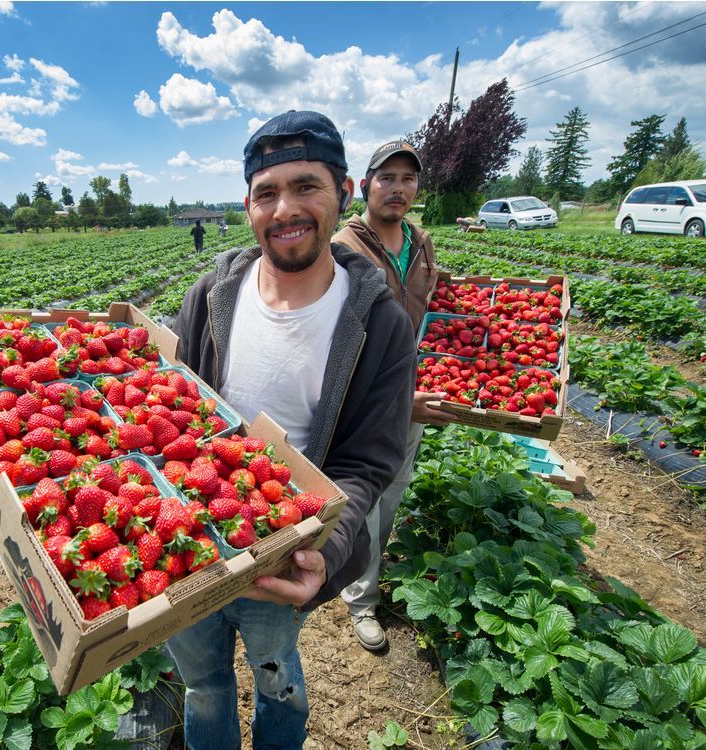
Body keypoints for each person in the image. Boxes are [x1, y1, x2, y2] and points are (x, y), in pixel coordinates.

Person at [169, 111, 416, 750]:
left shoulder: (380, 325)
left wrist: (327, 555)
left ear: (343, 192)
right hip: (186, 538)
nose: (286, 209)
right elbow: (170, 407)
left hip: (281, 546)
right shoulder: (211, 295)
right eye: (266, 192)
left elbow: (367, 464)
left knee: (276, 675)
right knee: (202, 683)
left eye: (306, 186)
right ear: (247, 205)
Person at [331, 140, 457, 652]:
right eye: (387, 178)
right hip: (364, 402)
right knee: (367, 502)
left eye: (408, 179)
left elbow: (425, 305)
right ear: (366, 186)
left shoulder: (421, 242)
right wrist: (398, 400)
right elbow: (336, 342)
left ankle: (367, 576)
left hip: (418, 389)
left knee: (397, 489)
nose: (398, 188)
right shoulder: (343, 248)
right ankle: (361, 599)